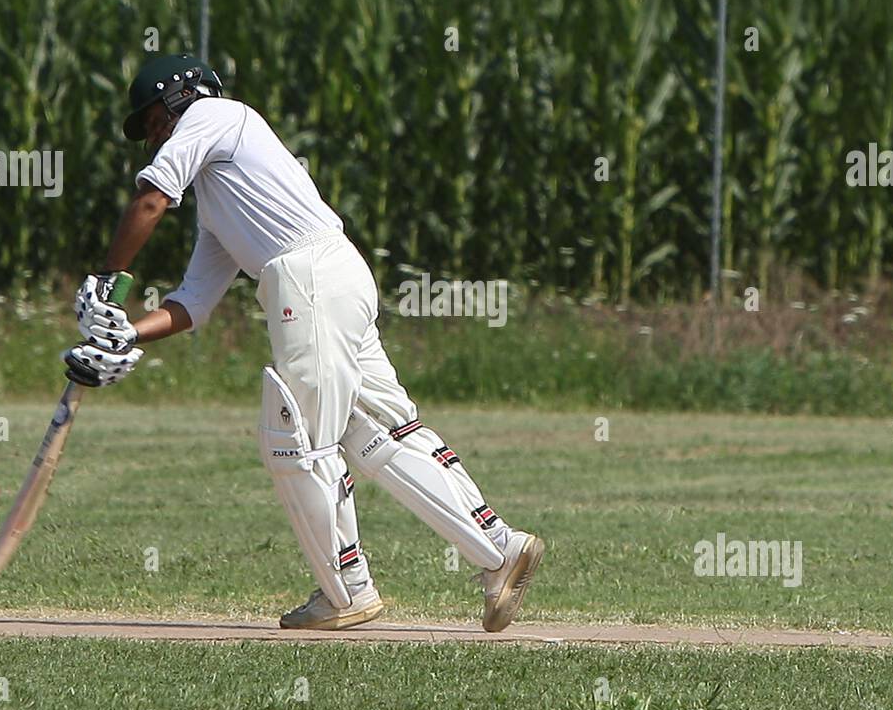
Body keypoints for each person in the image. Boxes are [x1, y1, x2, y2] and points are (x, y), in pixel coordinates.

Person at [63, 53, 545, 631]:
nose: (153, 138)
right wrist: (123, 334)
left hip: (308, 282)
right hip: (334, 277)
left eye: (152, 124)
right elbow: (192, 303)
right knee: (380, 431)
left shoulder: (215, 115)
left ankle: (346, 591)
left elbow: (150, 200)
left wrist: (105, 281)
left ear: (176, 101)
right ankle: (500, 548)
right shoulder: (222, 200)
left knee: (299, 442)